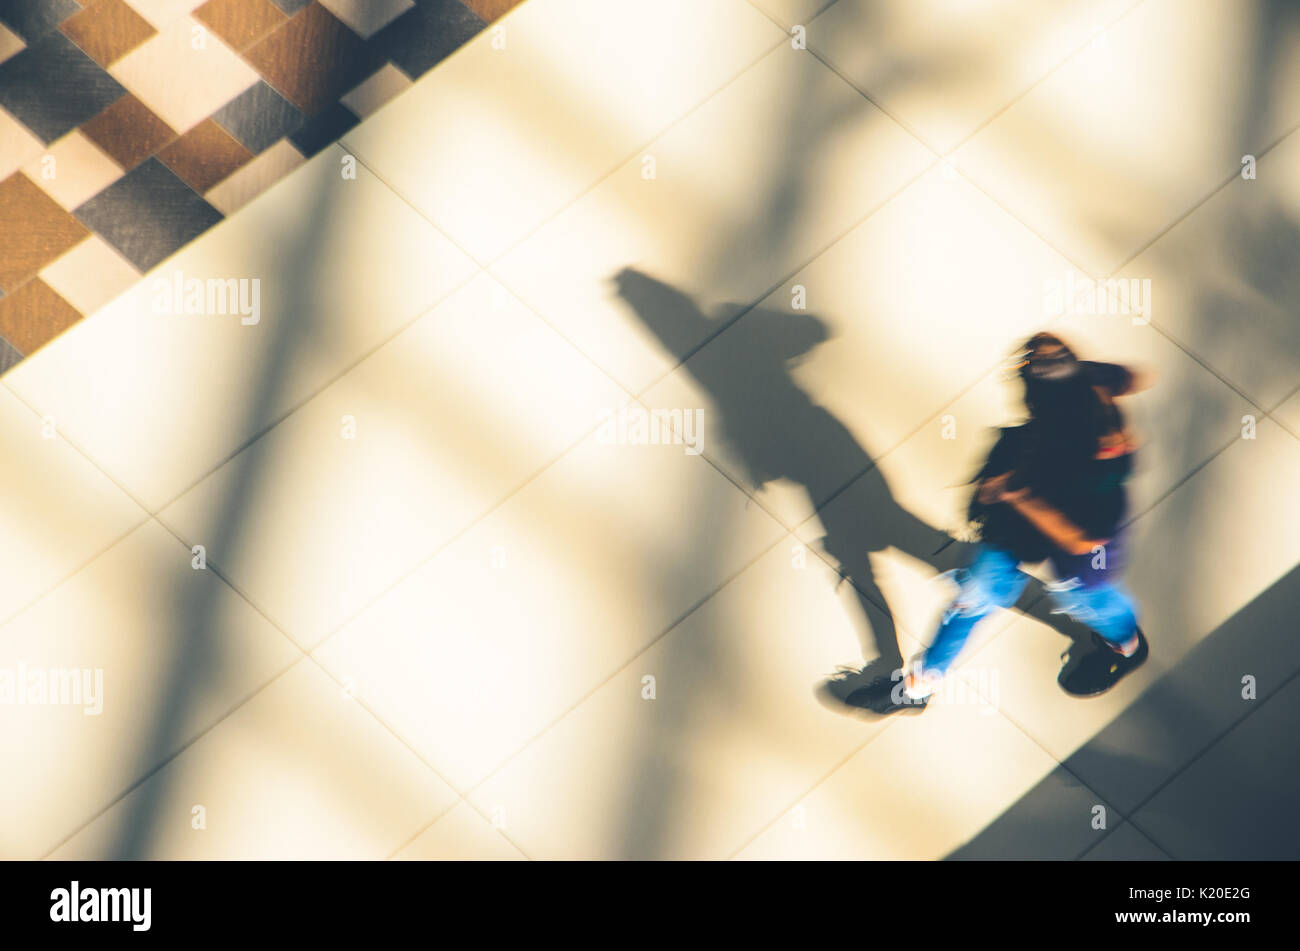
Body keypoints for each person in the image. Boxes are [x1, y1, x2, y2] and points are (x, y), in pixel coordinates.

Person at [849, 332, 1151, 713]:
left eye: (1034, 368)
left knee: (1083, 593)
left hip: (1073, 528)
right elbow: (1132, 377)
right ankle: (917, 688)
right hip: (1027, 504)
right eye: (1030, 363)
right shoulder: (1078, 387)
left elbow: (1083, 540)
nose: (1026, 368)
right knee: (975, 594)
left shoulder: (1102, 457)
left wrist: (1013, 495)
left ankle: (1126, 647)